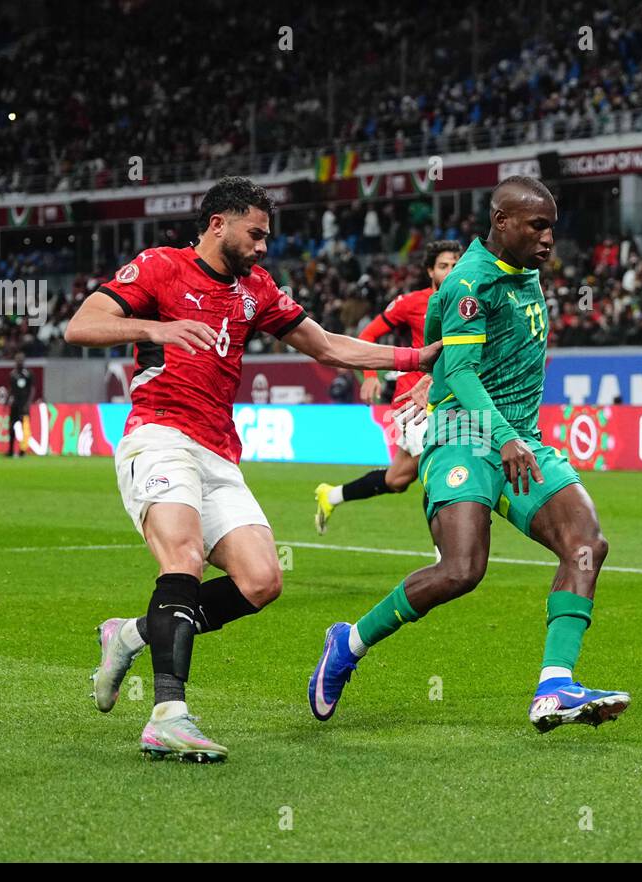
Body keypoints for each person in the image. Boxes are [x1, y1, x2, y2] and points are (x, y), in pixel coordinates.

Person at [64, 176, 440, 763]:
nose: (264, 246)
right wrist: (154, 327)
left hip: (218, 450)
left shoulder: (256, 288)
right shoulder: (160, 266)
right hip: (159, 435)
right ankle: (168, 714)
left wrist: (415, 358)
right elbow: (81, 325)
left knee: (262, 581)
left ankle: (131, 634)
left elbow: (326, 347)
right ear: (219, 223)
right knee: (183, 555)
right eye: (256, 233)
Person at [308, 175, 630, 733]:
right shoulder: (470, 282)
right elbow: (458, 365)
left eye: (552, 226)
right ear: (502, 221)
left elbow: (448, 357)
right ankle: (348, 643)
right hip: (464, 436)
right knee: (461, 570)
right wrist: (467, 404)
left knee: (586, 544)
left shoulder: (523, 271)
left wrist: (436, 380)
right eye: (538, 226)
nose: (550, 238)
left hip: (517, 438)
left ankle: (555, 686)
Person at [313, 240, 462, 534]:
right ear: (430, 271)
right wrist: (369, 375)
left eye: (456, 266)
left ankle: (330, 495)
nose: (451, 271)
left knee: (397, 479)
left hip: (448, 398)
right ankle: (446, 560)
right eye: (444, 266)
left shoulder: (467, 304)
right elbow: (368, 334)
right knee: (439, 465)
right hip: (413, 401)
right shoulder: (411, 303)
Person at [3, 353, 34, 457]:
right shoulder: (13, 374)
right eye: (17, 360)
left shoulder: (28, 374)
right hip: (15, 405)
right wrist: (6, 402)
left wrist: (28, 403)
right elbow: (11, 389)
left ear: (23, 361)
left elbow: (32, 389)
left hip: (24, 405)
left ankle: (22, 450)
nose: (19, 362)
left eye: (21, 360)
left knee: (25, 428)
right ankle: (10, 450)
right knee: (12, 427)